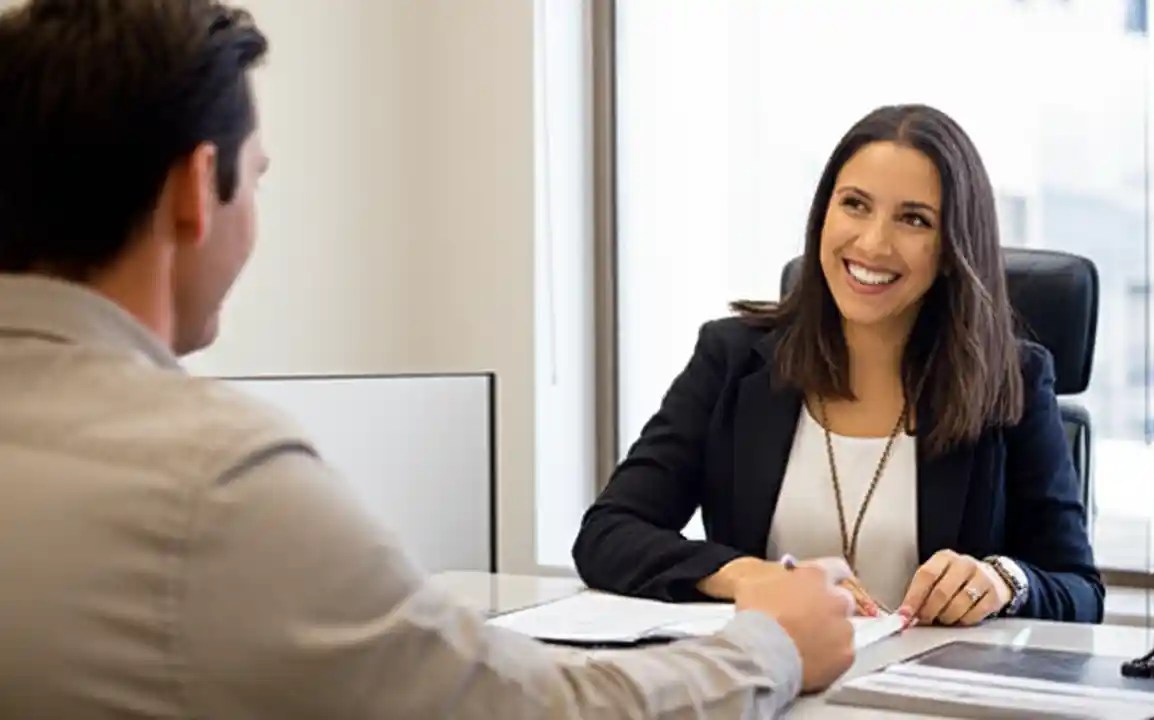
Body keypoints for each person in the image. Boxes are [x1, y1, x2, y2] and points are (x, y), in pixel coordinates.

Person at [0, 1, 860, 717]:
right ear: (197, 191)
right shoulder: (212, 481)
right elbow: (530, 709)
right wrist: (770, 645)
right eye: (256, 179)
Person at [574, 104, 1104, 626]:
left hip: (929, 700)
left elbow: (1079, 590)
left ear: (950, 250)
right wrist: (748, 576)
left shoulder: (1011, 380)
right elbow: (608, 533)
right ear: (823, 215)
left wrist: (1005, 582)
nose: (873, 243)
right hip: (765, 685)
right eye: (855, 205)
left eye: (913, 219)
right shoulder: (731, 359)